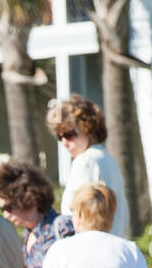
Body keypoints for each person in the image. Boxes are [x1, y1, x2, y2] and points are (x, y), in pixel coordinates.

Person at [46, 94, 129, 238]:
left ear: (87, 128)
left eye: (69, 134)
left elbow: (77, 217)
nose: (64, 142)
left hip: (91, 248)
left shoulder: (86, 162)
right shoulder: (107, 159)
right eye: (60, 136)